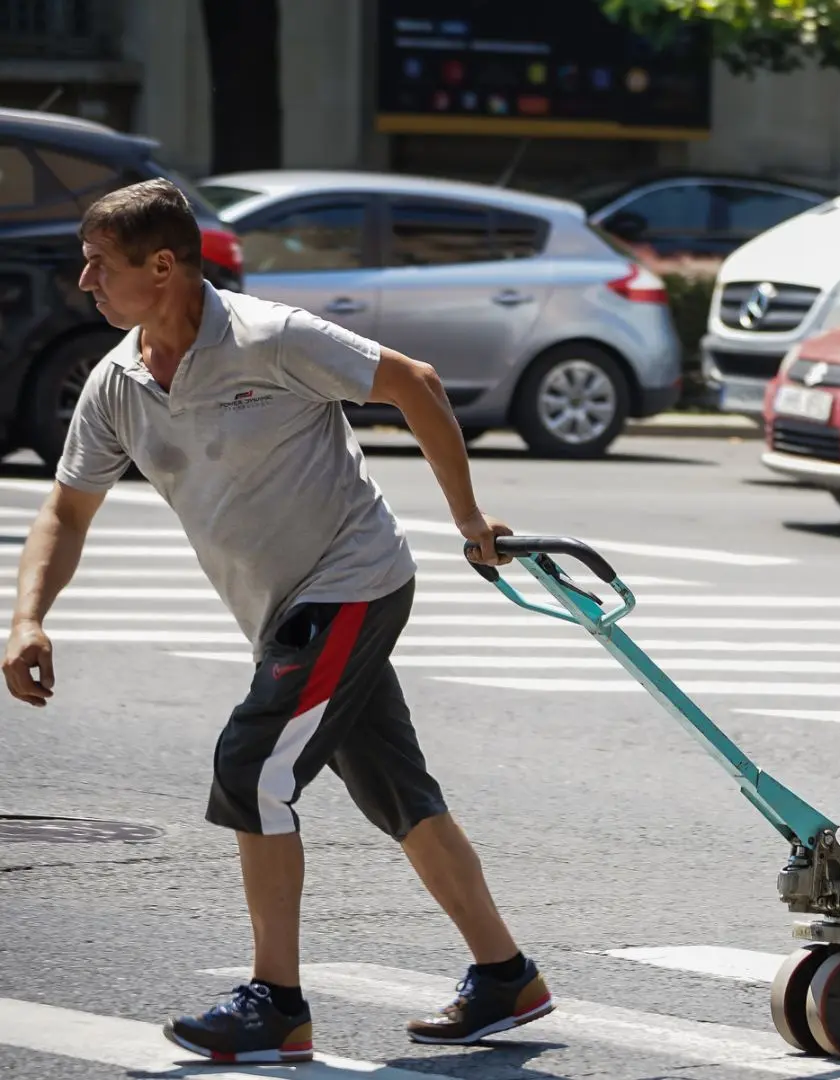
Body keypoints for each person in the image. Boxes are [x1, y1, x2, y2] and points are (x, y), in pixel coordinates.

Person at [1, 179, 555, 1063]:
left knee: (251, 767)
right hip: (281, 611)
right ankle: (506, 975)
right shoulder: (118, 383)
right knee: (397, 793)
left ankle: (276, 1004)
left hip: (353, 582)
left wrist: (467, 518)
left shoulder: (269, 337)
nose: (84, 280)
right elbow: (66, 512)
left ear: (162, 265)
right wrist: (28, 618)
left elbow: (413, 383)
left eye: (100, 263)